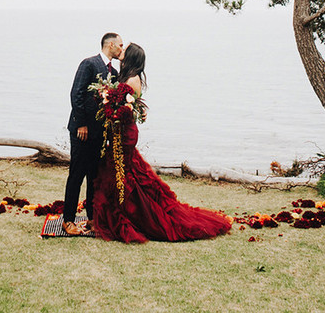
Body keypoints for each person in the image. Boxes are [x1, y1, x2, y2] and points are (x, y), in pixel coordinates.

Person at [92, 43, 233, 243]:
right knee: (122, 172)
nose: (121, 51)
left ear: (131, 56)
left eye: (125, 49)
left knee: (124, 173)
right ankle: (124, 209)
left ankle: (130, 215)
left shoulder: (132, 80)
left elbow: (126, 109)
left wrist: (111, 108)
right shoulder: (126, 76)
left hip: (125, 133)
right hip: (120, 131)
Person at [62, 32, 124, 236]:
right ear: (111, 45)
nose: (121, 49)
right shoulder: (88, 64)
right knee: (77, 174)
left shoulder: (113, 72)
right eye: (120, 46)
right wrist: (81, 124)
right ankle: (68, 220)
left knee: (94, 177)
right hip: (82, 131)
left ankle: (91, 218)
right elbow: (76, 93)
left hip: (99, 133)